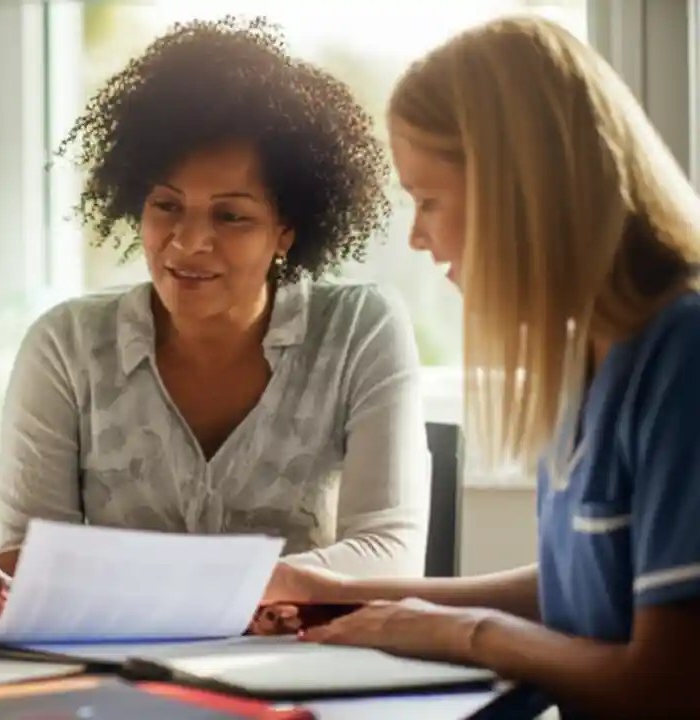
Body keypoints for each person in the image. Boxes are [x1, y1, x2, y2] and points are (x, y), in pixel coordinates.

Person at [261, 16, 700, 719]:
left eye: (429, 201)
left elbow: (670, 685)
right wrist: (337, 592)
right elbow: (576, 591)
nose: (418, 235)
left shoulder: (682, 355)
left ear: (520, 189)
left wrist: (469, 634)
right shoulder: (589, 356)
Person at [0, 18, 431, 577]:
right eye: (167, 206)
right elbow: (26, 567)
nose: (190, 242)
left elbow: (388, 556)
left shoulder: (359, 330)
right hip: (107, 659)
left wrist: (187, 586)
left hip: (295, 664)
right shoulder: (64, 345)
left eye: (231, 216)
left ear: (286, 231)